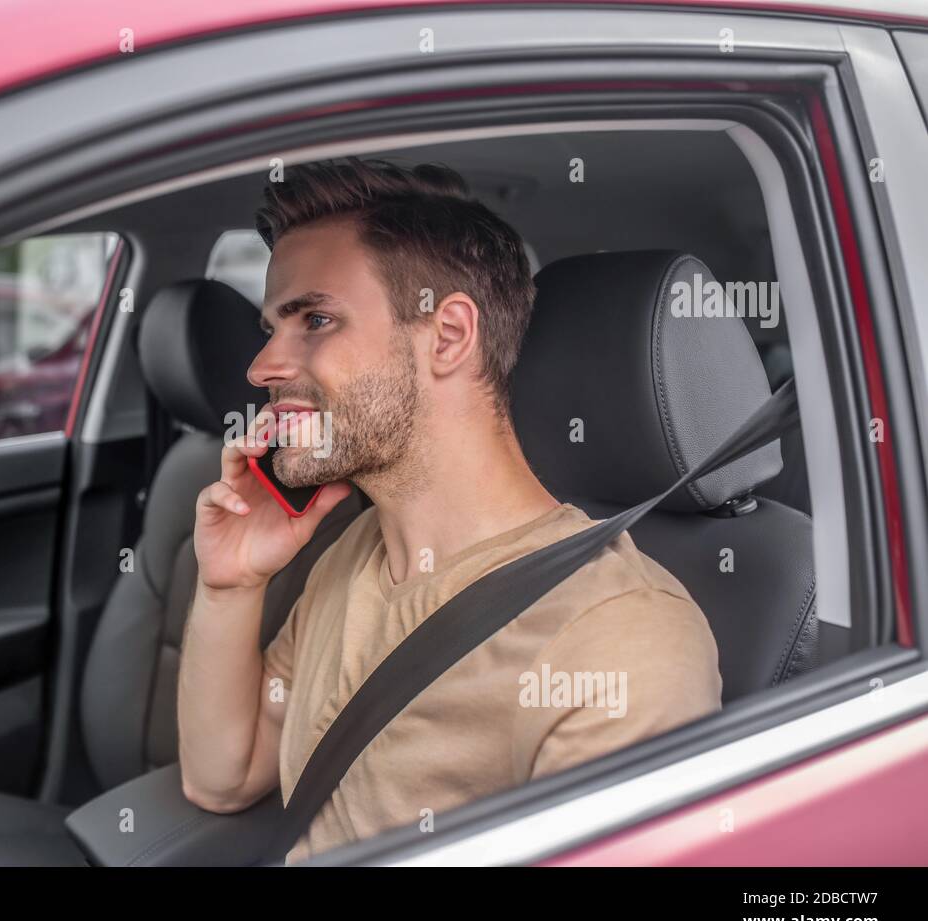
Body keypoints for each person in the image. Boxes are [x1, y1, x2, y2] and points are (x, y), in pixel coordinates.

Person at [177, 158, 722, 865]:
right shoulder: (356, 552)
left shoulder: (617, 635)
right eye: (272, 326)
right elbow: (222, 780)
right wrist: (231, 585)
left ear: (449, 335)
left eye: (314, 318)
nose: (262, 367)